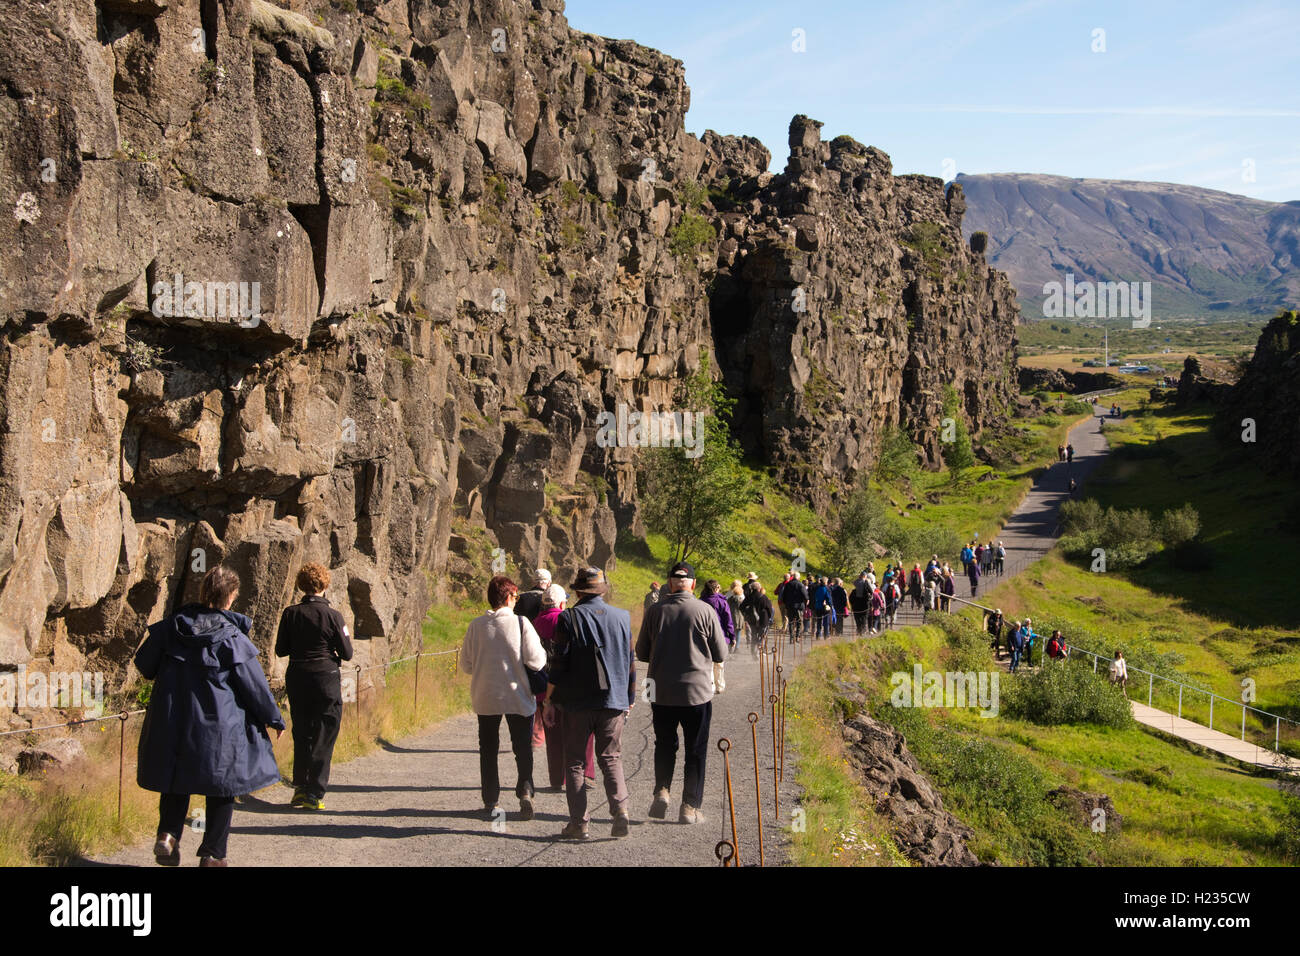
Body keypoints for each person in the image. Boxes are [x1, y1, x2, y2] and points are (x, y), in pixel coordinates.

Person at [136, 566, 285, 867]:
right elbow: (254, 686)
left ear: (204, 593)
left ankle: (167, 835)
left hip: (173, 721)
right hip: (220, 727)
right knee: (223, 787)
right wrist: (274, 717)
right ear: (231, 597)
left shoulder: (170, 628)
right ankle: (212, 854)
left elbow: (144, 665)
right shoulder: (231, 638)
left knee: (176, 781)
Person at [547, 567, 636, 840]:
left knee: (574, 761)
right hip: (613, 701)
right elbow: (630, 662)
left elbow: (558, 663)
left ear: (577, 591)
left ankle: (579, 823)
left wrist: (549, 699)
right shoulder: (623, 617)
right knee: (610, 757)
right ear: (602, 590)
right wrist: (629, 699)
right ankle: (620, 810)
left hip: (577, 703)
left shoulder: (568, 618)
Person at [636, 562, 727, 824]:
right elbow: (721, 654)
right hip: (696, 693)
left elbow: (642, 652)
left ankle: (662, 790)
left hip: (660, 691)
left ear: (669, 583)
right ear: (693, 584)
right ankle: (689, 806)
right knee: (695, 749)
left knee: (664, 744)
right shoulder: (705, 610)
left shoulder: (654, 611)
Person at [460, 575, 547, 821]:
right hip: (517, 696)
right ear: (509, 597)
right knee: (522, 747)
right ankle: (526, 791)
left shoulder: (476, 626)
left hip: (485, 696)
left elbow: (466, 665)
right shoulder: (521, 623)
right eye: (516, 596)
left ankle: (491, 799)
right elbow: (537, 660)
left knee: (488, 748)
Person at [275, 562, 353, 812]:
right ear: (325, 584)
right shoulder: (333, 616)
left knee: (302, 731)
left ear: (301, 585)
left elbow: (281, 649)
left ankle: (300, 786)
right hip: (325, 677)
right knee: (325, 731)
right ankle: (315, 791)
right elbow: (348, 652)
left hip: (298, 675)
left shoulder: (291, 613)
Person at [535, 584, 596, 793]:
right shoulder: (568, 620)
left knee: (553, 733)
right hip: (568, 685)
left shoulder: (534, 622)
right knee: (583, 731)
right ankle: (586, 773)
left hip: (542, 685)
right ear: (562, 603)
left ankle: (556, 777)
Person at [701, 580, 734, 691]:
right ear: (716, 588)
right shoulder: (721, 601)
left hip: (704, 634)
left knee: (708, 661)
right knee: (719, 662)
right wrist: (732, 636)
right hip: (720, 634)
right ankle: (719, 685)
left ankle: (710, 686)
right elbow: (728, 620)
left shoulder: (700, 601)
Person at [742, 583, 774, 653]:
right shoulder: (763, 597)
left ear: (752, 589)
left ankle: (753, 652)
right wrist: (769, 618)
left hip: (752, 619)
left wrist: (746, 614)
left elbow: (741, 607)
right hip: (763, 619)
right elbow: (769, 609)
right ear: (759, 588)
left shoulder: (748, 597)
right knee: (763, 634)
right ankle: (761, 648)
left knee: (753, 634)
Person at [782, 572, 807, 643]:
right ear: (798, 577)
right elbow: (805, 595)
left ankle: (791, 637)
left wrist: (786, 604)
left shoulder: (787, 585)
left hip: (790, 606)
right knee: (799, 621)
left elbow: (784, 596)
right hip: (798, 606)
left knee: (791, 621)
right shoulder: (800, 585)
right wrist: (807, 600)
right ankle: (797, 636)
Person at [809, 576, 832, 641]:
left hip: (817, 606)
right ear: (826, 582)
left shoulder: (816, 588)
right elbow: (828, 598)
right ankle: (826, 635)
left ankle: (818, 635)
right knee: (826, 621)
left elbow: (814, 596)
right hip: (825, 607)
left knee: (819, 621)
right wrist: (830, 605)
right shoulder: (826, 588)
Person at [727, 580, 747, 644]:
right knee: (738, 632)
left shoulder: (729, 596)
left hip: (731, 616)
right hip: (740, 617)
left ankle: (731, 644)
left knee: (731, 631)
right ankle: (737, 647)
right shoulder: (742, 599)